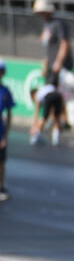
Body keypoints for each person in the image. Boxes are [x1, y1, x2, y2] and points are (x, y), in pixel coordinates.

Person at [33, 0, 74, 131]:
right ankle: (55, 119)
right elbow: (48, 48)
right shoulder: (47, 25)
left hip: (60, 66)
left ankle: (62, 119)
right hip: (51, 64)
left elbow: (64, 43)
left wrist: (58, 61)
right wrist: (46, 63)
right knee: (52, 92)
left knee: (58, 93)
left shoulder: (58, 24)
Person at [29, 82, 66, 147]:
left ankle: (36, 136)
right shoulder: (45, 89)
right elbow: (52, 112)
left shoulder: (38, 95)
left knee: (44, 118)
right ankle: (55, 138)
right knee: (56, 118)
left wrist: (34, 126)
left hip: (50, 97)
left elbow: (36, 113)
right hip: (59, 96)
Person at [0, 59, 14, 200]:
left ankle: (1, 186)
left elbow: (9, 114)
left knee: (1, 161)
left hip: (0, 130)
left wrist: (5, 135)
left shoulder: (5, 92)